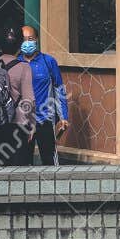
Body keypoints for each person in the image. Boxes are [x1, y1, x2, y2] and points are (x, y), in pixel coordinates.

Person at [0, 27, 36, 165]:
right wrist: (31, 125)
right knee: (15, 174)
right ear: (19, 46)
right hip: (15, 127)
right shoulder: (23, 67)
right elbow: (29, 100)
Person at [19, 24, 69, 165]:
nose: (27, 42)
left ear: (36, 40)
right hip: (23, 121)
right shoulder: (16, 63)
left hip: (45, 119)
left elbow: (59, 89)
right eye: (24, 39)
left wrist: (63, 116)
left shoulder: (48, 62)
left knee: (50, 163)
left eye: (30, 39)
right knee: (22, 164)